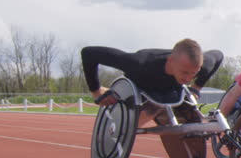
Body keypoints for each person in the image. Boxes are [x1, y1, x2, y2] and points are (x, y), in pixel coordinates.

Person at [81, 38, 224, 126]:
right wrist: (96, 90)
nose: (188, 78)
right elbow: (88, 53)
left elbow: (218, 55)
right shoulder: (139, 63)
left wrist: (196, 87)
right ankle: (147, 114)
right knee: (147, 112)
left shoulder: (201, 65)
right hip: (142, 85)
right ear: (171, 61)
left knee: (193, 119)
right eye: (185, 72)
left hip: (169, 92)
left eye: (193, 74)